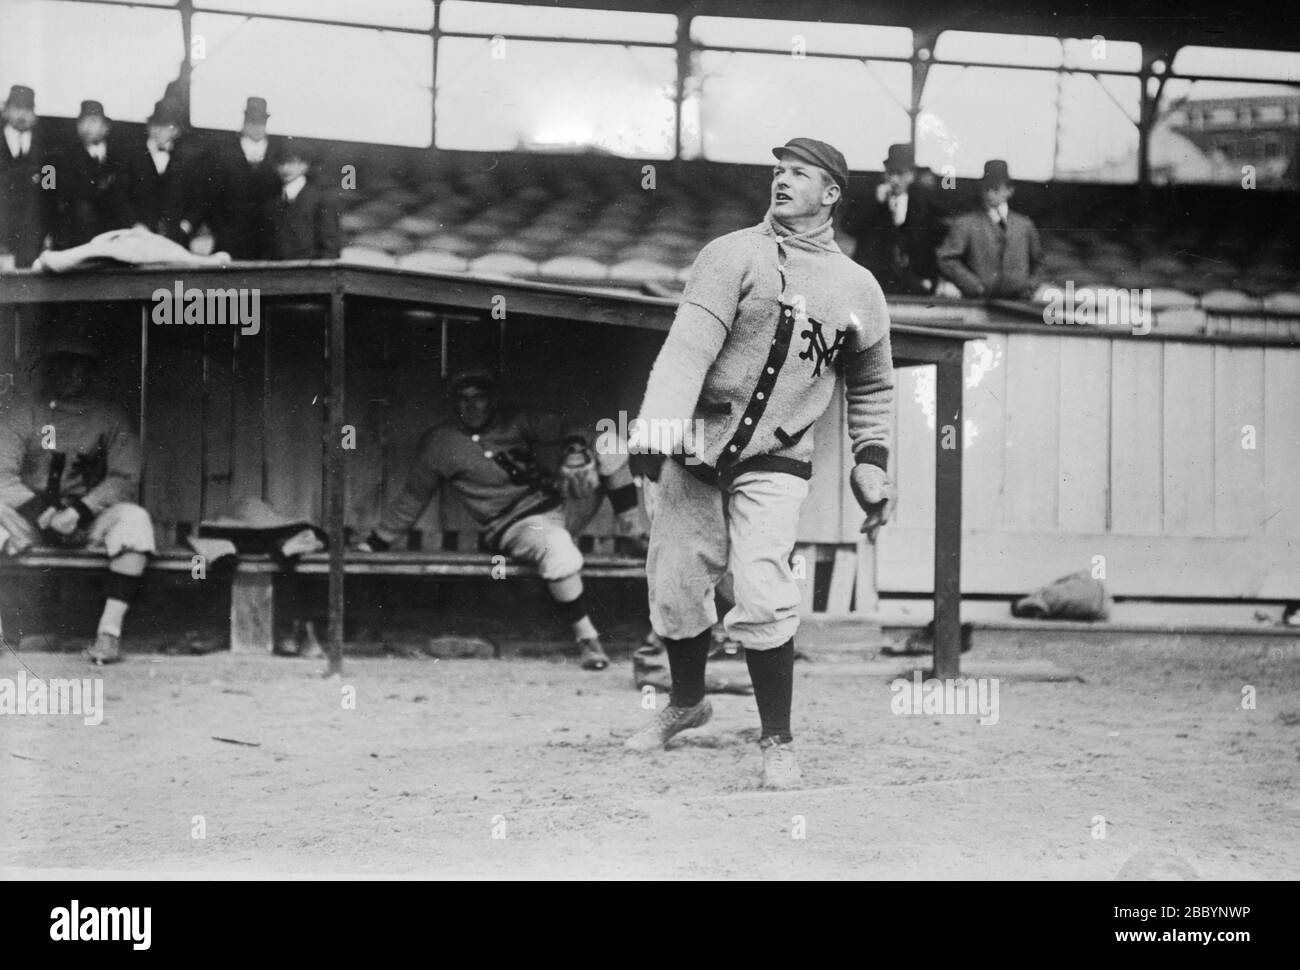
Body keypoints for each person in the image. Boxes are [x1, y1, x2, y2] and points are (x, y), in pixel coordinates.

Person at [623, 137, 896, 789]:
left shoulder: (857, 286)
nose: (782, 181)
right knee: (678, 580)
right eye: (778, 171)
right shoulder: (729, 254)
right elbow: (688, 348)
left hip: (776, 456)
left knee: (762, 585)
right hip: (698, 447)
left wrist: (872, 459)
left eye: (798, 174)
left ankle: (777, 740)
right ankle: (687, 702)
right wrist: (657, 428)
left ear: (830, 194)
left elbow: (875, 385)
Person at [358, 367, 644, 671]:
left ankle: (632, 532)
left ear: (493, 400)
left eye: (479, 397)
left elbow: (568, 424)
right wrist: (375, 543)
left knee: (610, 443)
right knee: (557, 546)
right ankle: (588, 641)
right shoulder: (439, 443)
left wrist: (575, 448)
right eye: (462, 398)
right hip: (517, 526)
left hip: (562, 505)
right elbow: (413, 498)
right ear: (452, 402)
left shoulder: (515, 423)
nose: (471, 406)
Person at [0, 337, 156, 664]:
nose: (70, 373)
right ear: (47, 369)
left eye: (79, 365)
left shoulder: (108, 416)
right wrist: (43, 513)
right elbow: (2, 474)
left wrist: (81, 510)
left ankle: (108, 635)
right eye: (62, 363)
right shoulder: (24, 413)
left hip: (86, 524)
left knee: (134, 520)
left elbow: (125, 477)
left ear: (90, 371)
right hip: (30, 523)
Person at [936, 159, 1043, 299]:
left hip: (1019, 302)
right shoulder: (965, 223)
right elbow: (946, 259)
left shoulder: (1024, 225)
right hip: (978, 302)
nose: (990, 194)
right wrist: (972, 285)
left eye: (996, 188)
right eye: (986, 188)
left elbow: (1040, 262)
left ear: (1009, 190)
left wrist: (1030, 286)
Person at [846, 143, 943, 295]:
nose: (894, 179)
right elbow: (849, 228)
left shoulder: (923, 204)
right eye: (890, 173)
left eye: (900, 173)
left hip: (913, 285)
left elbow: (932, 245)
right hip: (873, 284)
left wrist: (931, 281)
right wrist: (875, 202)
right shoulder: (869, 198)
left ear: (911, 175)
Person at [122, 99, 209, 247]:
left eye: (166, 126)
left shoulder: (186, 160)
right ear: (149, 127)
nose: (159, 131)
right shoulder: (133, 157)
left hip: (176, 237)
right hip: (139, 235)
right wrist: (134, 224)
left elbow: (199, 198)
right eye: (155, 125)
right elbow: (120, 195)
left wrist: (185, 226)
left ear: (176, 131)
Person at [51, 100, 131, 249]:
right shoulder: (65, 157)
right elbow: (61, 193)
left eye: (93, 121)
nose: (87, 127)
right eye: (82, 122)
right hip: (78, 237)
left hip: (114, 236)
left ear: (106, 127)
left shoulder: (119, 157)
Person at [210, 97, 281, 260]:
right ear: (244, 121)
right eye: (252, 121)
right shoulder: (226, 151)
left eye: (260, 121)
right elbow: (213, 196)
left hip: (267, 239)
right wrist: (221, 229)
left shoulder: (277, 151)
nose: (256, 126)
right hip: (231, 237)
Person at [261, 138, 339, 259]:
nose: (285, 168)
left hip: (308, 273)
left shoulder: (320, 200)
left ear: (305, 166)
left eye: (292, 163)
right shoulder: (274, 202)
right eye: (281, 163)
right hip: (277, 274)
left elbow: (330, 247)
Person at [0, 84, 51, 267]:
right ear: (6, 111)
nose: (21, 115)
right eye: (16, 108)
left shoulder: (44, 143)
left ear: (34, 115)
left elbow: (49, 185)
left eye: (27, 109)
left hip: (31, 223)